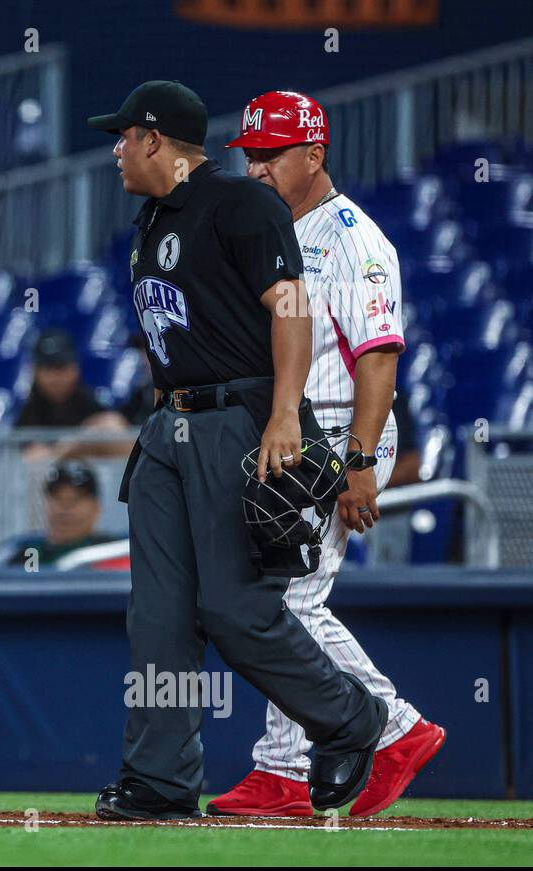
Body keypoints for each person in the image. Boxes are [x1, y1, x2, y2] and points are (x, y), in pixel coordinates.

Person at [87, 80, 386, 820]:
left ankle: (350, 719)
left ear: (156, 140)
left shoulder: (241, 204)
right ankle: (159, 778)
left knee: (236, 611)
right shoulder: (153, 216)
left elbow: (292, 308)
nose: (117, 149)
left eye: (124, 136)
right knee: (158, 616)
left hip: (239, 420)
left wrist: (285, 415)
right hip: (170, 427)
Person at [209, 90, 444, 818]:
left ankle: (392, 729)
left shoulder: (353, 238)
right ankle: (286, 766)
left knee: (288, 602)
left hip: (343, 428)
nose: (255, 168)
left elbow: (379, 356)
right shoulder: (277, 228)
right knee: (277, 601)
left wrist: (361, 459)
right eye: (249, 155)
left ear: (315, 153)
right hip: (295, 432)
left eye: (270, 155)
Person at [15, 329, 132, 458]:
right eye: (48, 368)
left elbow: (116, 435)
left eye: (61, 367)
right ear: (35, 372)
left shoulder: (90, 404)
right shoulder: (28, 413)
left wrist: (65, 449)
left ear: (75, 369)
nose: (55, 377)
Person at [4, 459, 129, 570]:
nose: (64, 509)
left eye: (75, 499)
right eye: (57, 499)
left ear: (96, 507)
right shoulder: (31, 553)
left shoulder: (112, 552)